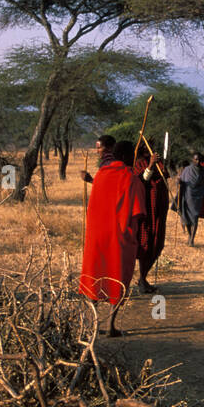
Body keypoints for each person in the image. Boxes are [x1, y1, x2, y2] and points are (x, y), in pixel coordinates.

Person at [80, 140, 146, 336]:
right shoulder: (131, 178)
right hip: (119, 237)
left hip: (96, 235)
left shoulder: (100, 174)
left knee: (95, 275)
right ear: (126, 157)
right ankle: (111, 327)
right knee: (118, 277)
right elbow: (138, 212)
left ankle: (93, 326)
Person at [132, 142, 168, 293]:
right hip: (146, 211)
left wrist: (157, 163)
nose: (151, 149)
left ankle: (143, 279)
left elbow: (164, 178)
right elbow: (141, 181)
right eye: (147, 146)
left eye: (152, 146)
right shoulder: (137, 163)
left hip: (158, 212)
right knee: (145, 245)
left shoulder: (158, 162)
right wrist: (151, 165)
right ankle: (141, 280)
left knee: (156, 245)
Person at [176, 152, 204, 246]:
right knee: (186, 219)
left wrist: (198, 192)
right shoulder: (187, 169)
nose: (197, 162)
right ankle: (189, 235)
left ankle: (192, 239)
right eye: (196, 159)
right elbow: (182, 181)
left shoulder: (203, 172)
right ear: (193, 160)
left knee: (194, 218)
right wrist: (179, 181)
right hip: (186, 197)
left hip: (197, 198)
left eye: (199, 160)